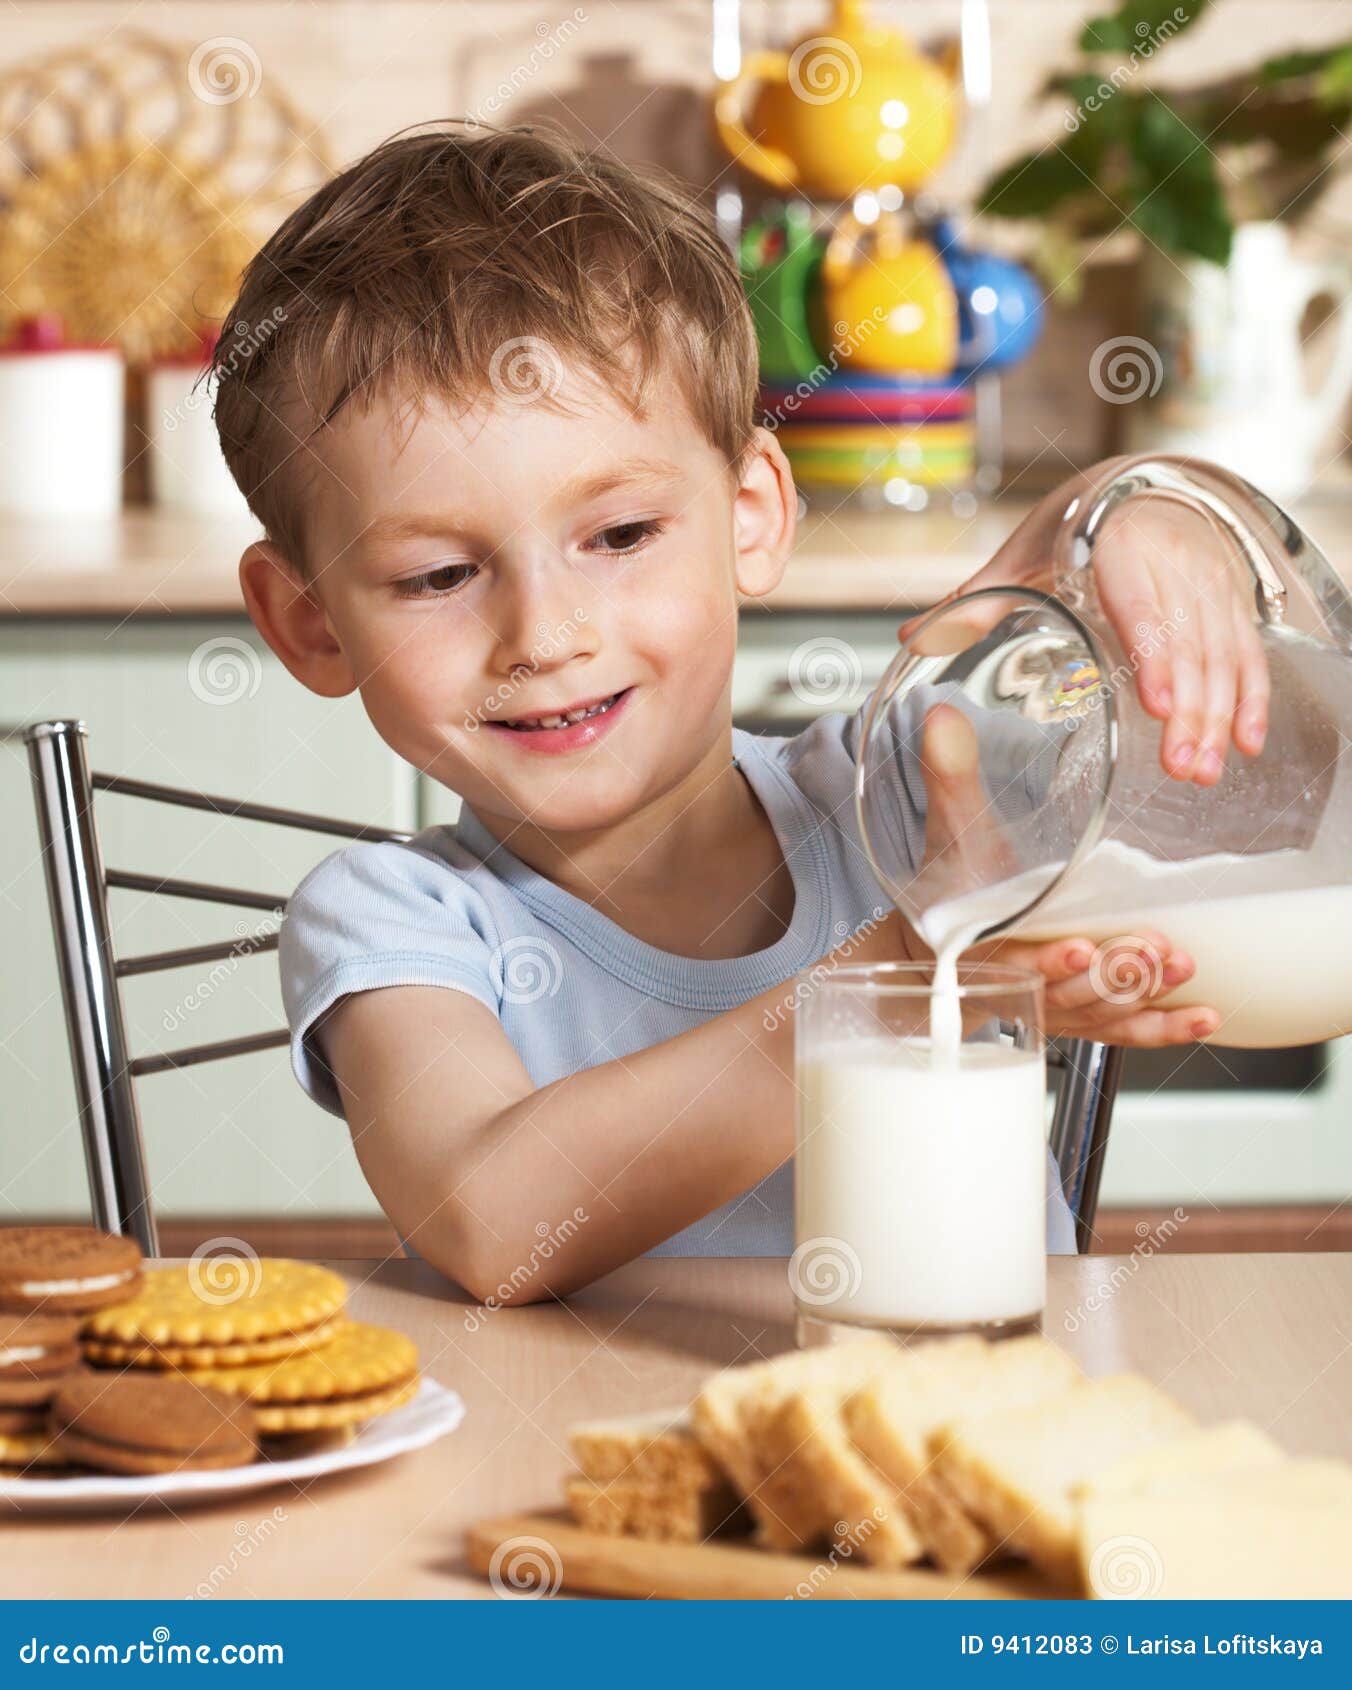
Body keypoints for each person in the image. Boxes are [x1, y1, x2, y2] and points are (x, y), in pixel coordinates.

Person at [214, 124, 1265, 1302]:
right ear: (308, 621)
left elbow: (1252, 842)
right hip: (583, 1475)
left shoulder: (912, 787)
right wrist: (909, 965)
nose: (545, 636)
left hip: (984, 1462)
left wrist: (1147, 522)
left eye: (618, 536)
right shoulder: (391, 925)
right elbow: (494, 1219)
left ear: (753, 513)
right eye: (438, 577)